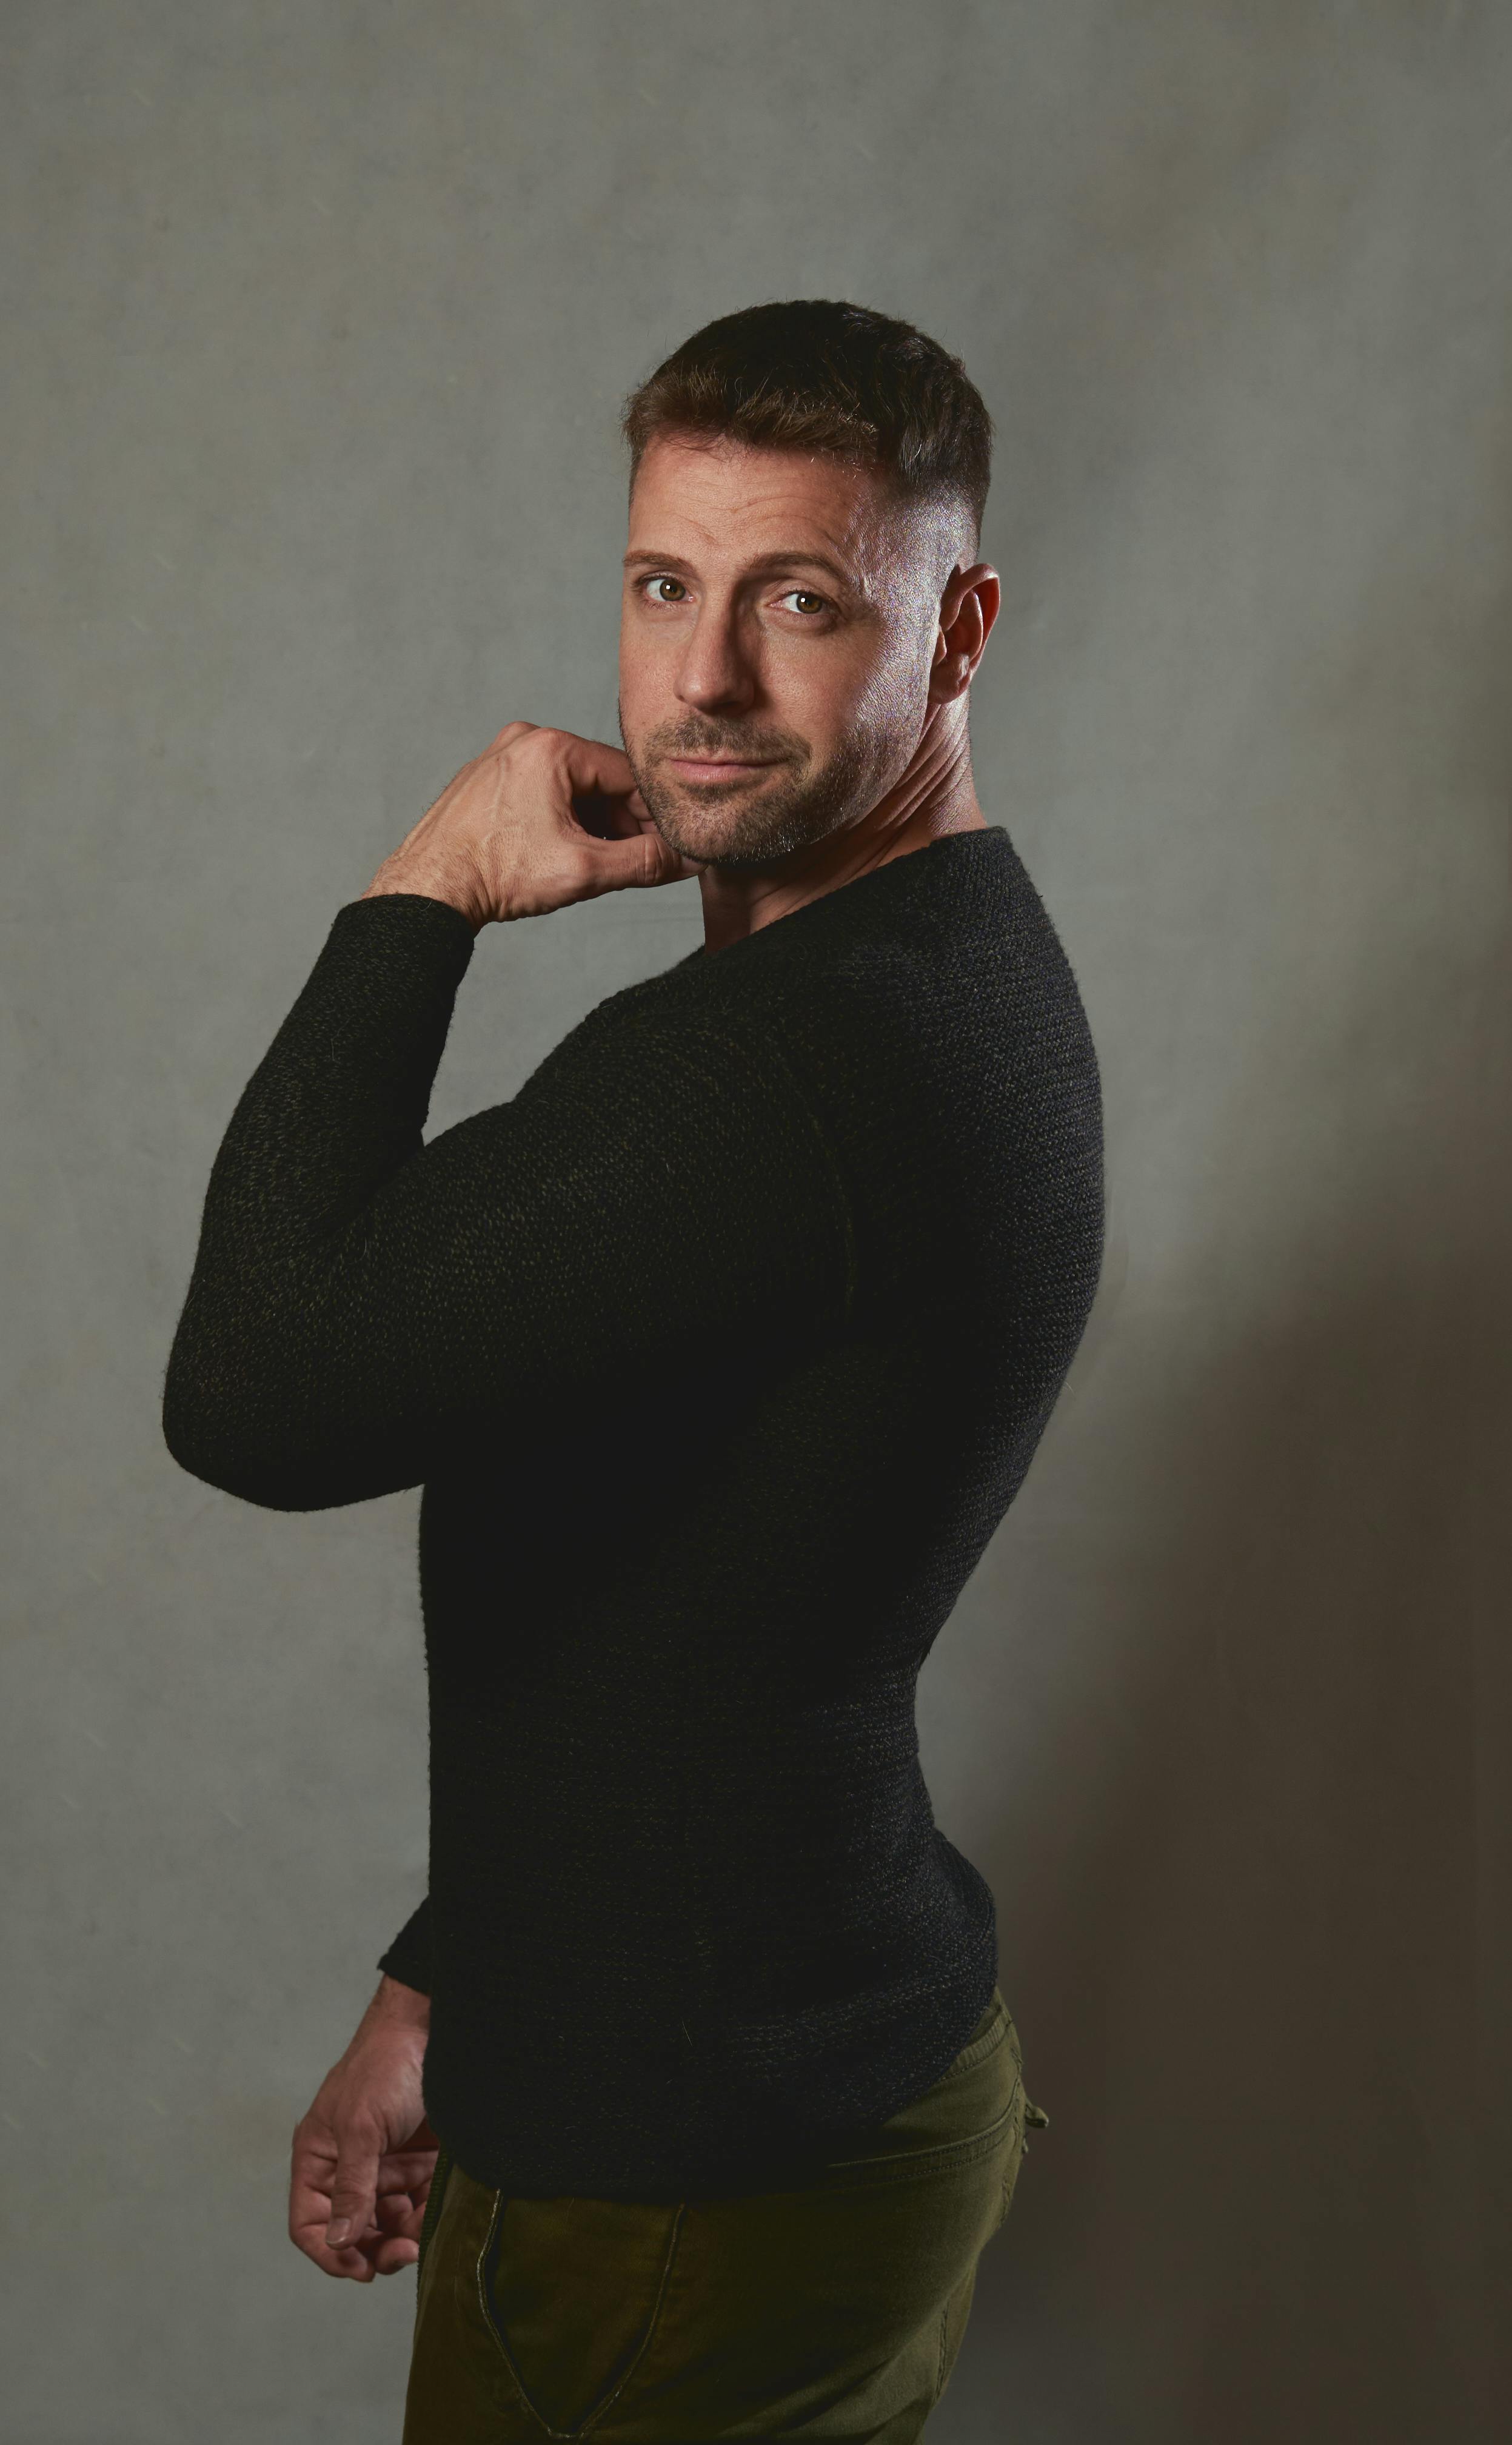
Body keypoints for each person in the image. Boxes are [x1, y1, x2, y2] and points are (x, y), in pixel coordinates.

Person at [162, 297, 1105, 2441]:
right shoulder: (952, 960)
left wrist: (422, 894)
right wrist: (446, 1972)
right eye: (664, 585)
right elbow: (690, 1578)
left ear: (956, 627)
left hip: (689, 2174)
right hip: (814, 2041)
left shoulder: (789, 1072)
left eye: (797, 601)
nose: (698, 679)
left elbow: (253, 1392)